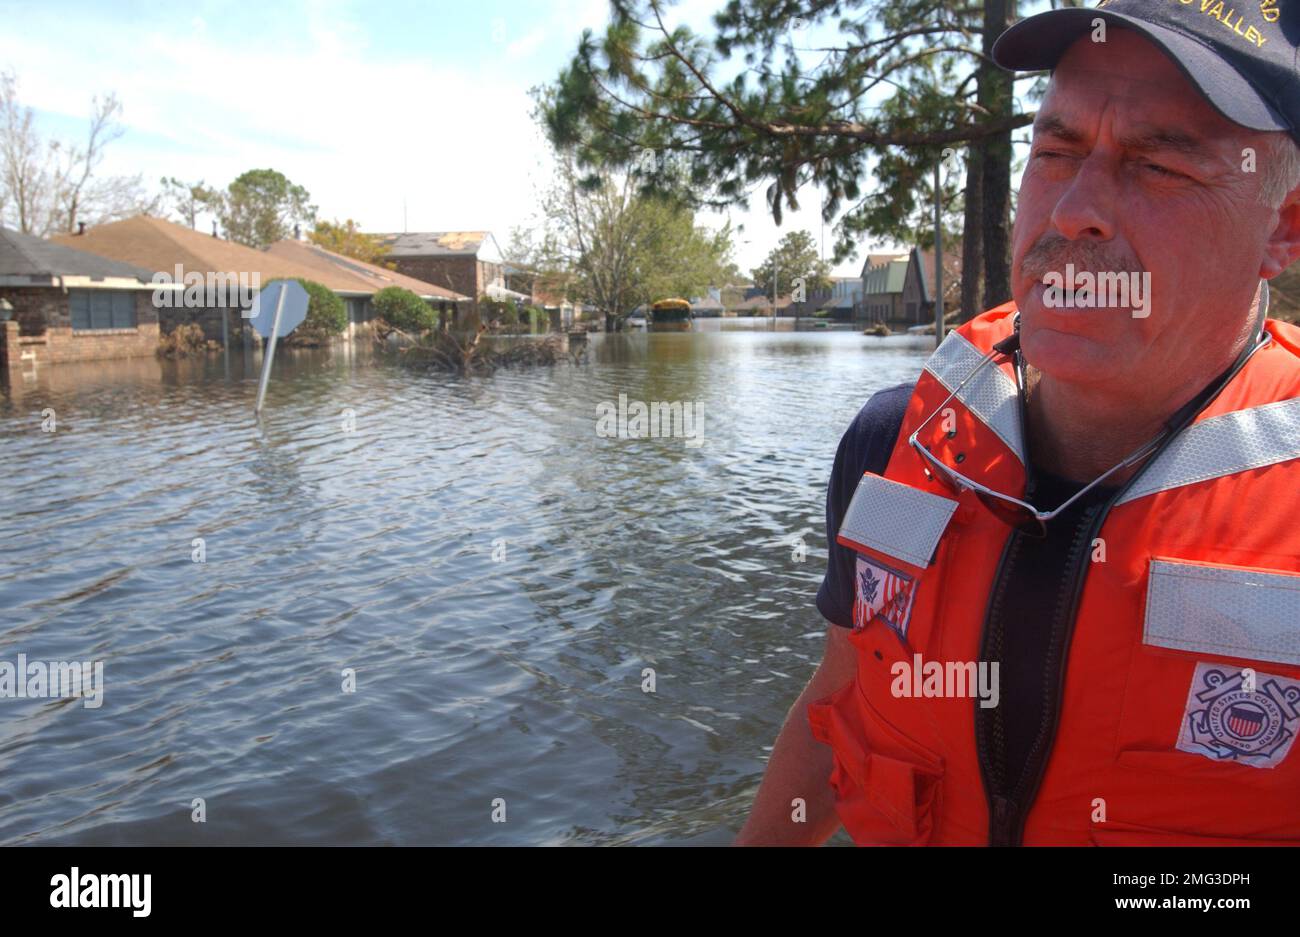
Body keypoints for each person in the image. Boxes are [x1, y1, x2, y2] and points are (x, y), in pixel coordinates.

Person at [736, 0, 1300, 846]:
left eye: (1157, 166)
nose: (1074, 210)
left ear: (1283, 227)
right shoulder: (895, 443)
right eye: (1057, 151)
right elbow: (838, 693)